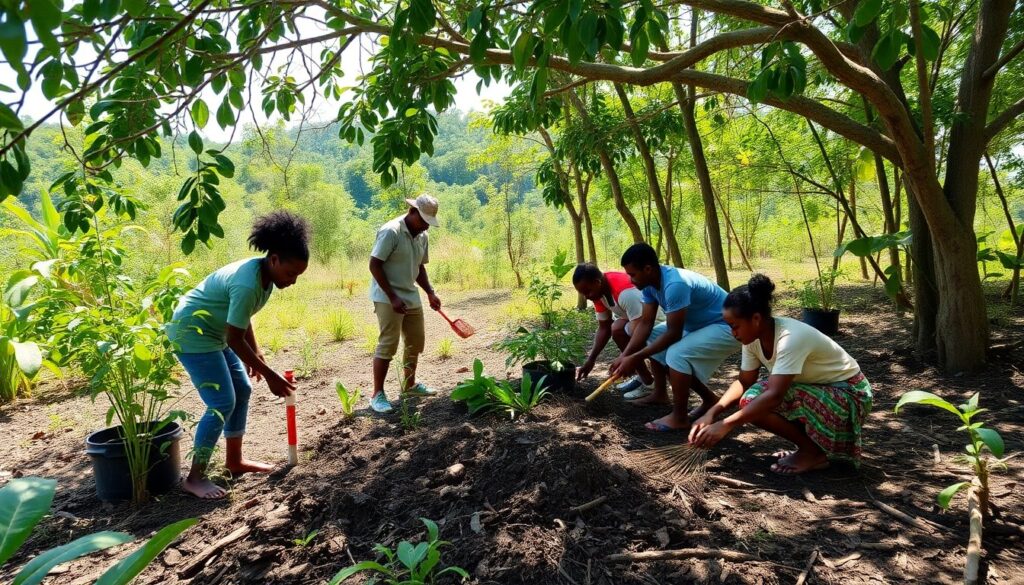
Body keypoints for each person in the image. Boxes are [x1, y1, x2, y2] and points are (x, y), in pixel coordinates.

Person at [167, 211, 309, 499]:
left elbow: (243, 318)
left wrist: (255, 353)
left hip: (215, 331)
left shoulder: (265, 276)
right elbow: (234, 338)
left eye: (298, 275)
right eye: (291, 273)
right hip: (192, 332)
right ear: (274, 260)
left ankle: (234, 461)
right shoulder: (247, 282)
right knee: (221, 402)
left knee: (242, 389)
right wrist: (270, 375)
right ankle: (194, 478)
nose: (293, 281)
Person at [690, 274, 873, 475]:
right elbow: (744, 382)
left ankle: (813, 452)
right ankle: (811, 448)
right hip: (818, 387)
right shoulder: (752, 338)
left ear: (756, 319)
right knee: (752, 397)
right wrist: (712, 413)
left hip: (850, 393)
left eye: (734, 326)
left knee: (760, 399)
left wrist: (726, 424)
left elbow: (775, 396)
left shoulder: (790, 338)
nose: (732, 333)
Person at [610, 243, 740, 432]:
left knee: (676, 354)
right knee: (653, 337)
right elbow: (645, 324)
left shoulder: (675, 284)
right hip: (697, 324)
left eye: (633, 274)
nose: (630, 280)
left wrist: (635, 357)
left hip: (729, 326)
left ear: (648, 269)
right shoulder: (649, 285)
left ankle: (679, 417)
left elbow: (673, 333)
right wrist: (625, 356)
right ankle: (665, 394)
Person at [368, 194, 442, 413]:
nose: (426, 226)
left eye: (429, 223)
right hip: (386, 296)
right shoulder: (391, 232)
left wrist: (430, 292)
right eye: (424, 221)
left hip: (410, 295)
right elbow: (374, 265)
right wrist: (392, 297)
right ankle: (377, 394)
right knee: (388, 344)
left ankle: (409, 386)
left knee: (415, 342)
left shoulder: (422, 236)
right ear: (412, 212)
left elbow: (419, 267)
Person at [572, 263, 664, 399]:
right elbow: (604, 327)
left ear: (597, 282)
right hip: (636, 321)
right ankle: (646, 380)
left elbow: (642, 329)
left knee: (634, 335)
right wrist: (591, 360)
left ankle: (659, 387)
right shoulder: (598, 292)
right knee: (616, 329)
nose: (586, 297)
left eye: (587, 292)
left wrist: (625, 358)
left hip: (657, 323)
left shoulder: (626, 293)